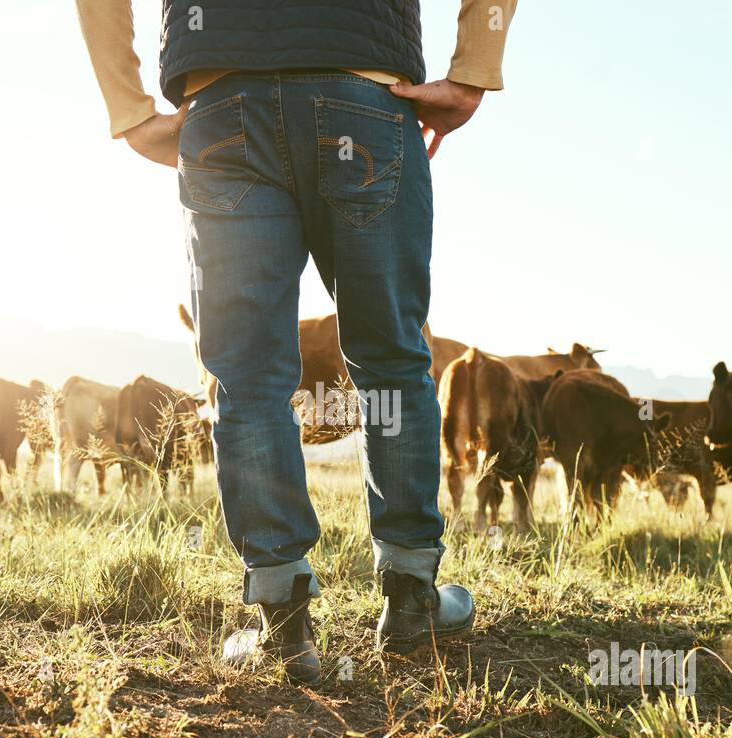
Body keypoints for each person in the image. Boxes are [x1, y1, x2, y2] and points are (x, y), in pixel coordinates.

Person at [75, 0, 517, 686]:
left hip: (223, 101)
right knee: (393, 360)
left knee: (246, 374)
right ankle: (410, 601)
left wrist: (128, 107)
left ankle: (283, 623)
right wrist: (473, 69)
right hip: (365, 93)